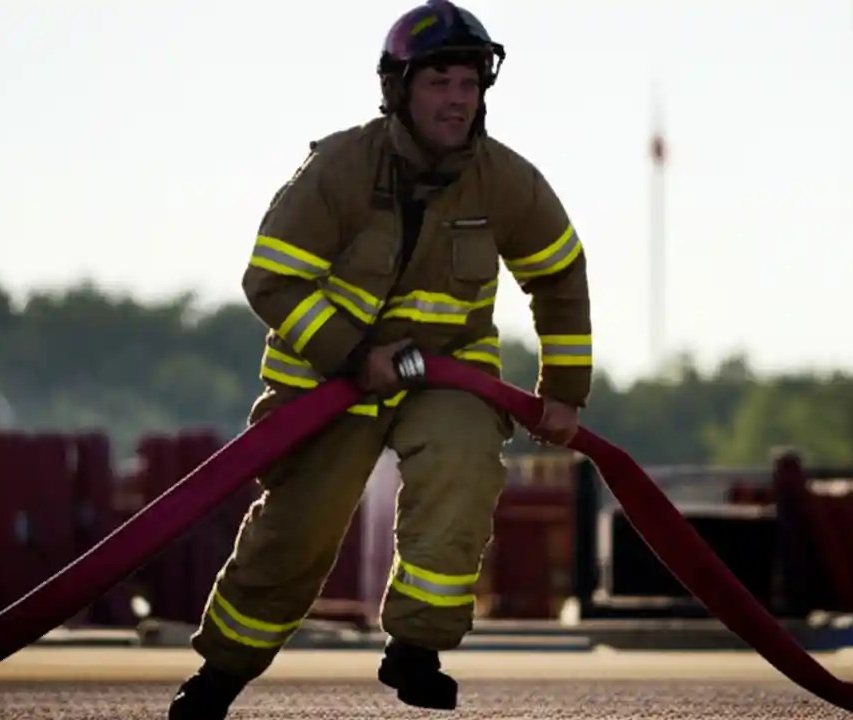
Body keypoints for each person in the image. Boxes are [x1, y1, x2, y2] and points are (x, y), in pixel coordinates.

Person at [168, 1, 592, 717]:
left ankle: (416, 649)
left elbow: (558, 270)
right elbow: (270, 279)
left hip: (448, 377)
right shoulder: (340, 169)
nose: (458, 101)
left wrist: (565, 389)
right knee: (294, 533)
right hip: (328, 383)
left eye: (469, 84)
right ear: (399, 89)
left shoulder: (504, 179)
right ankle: (217, 680)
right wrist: (352, 355)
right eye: (440, 83)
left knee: (462, 465)